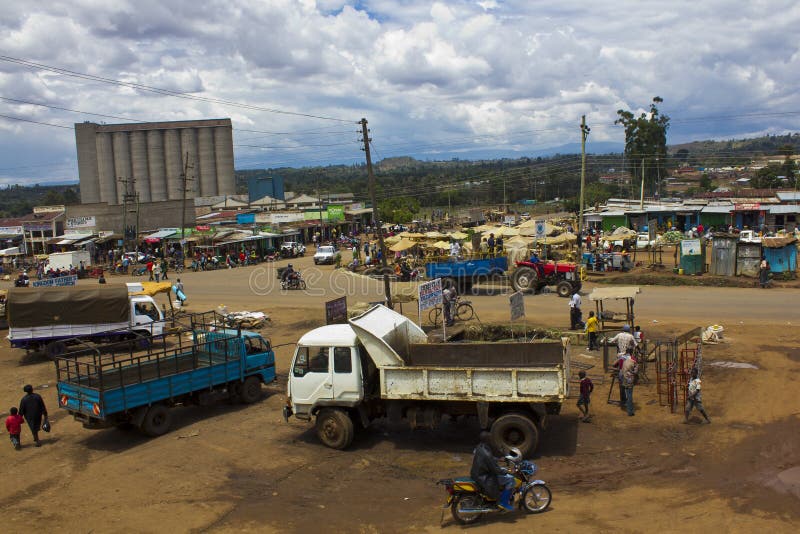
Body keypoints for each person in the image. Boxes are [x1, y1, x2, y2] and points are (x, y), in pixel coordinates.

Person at [470, 431, 515, 511]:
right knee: (511, 480)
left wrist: (499, 459)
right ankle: (503, 503)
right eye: (490, 438)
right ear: (487, 440)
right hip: (484, 476)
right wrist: (507, 471)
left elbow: (488, 459)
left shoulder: (480, 447)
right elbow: (495, 469)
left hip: (477, 473)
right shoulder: (486, 452)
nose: (491, 440)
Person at [621, 351, 639, 416]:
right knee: (630, 395)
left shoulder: (625, 362)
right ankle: (630, 411)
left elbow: (622, 371)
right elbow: (636, 372)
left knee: (627, 394)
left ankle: (629, 408)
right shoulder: (634, 363)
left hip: (625, 380)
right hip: (630, 380)